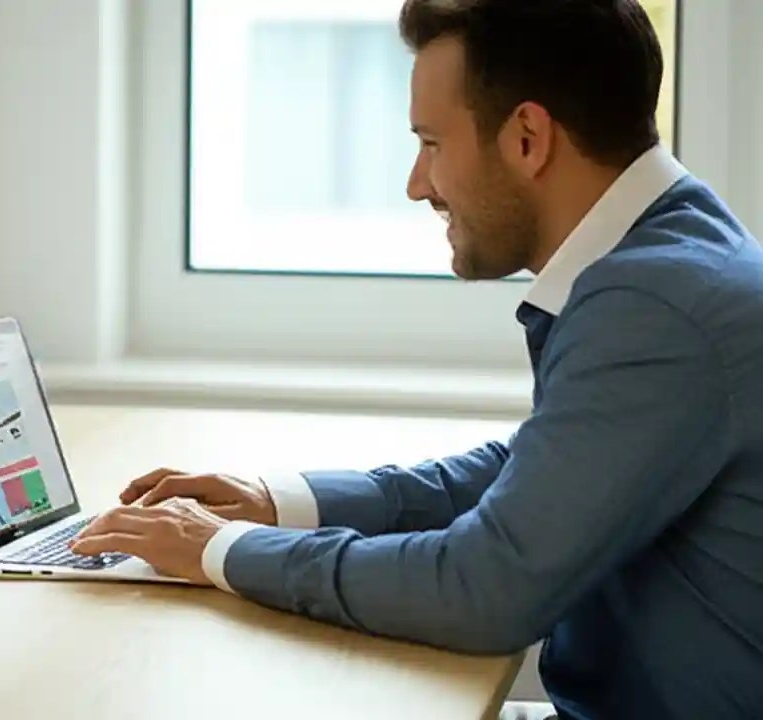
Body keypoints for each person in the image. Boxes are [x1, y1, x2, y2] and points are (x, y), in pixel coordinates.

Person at [71, 1, 763, 718]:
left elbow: (482, 589)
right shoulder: (676, 251)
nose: (417, 183)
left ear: (527, 137)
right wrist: (279, 505)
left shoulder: (658, 305)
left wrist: (222, 550)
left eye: (432, 143)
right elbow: (537, 469)